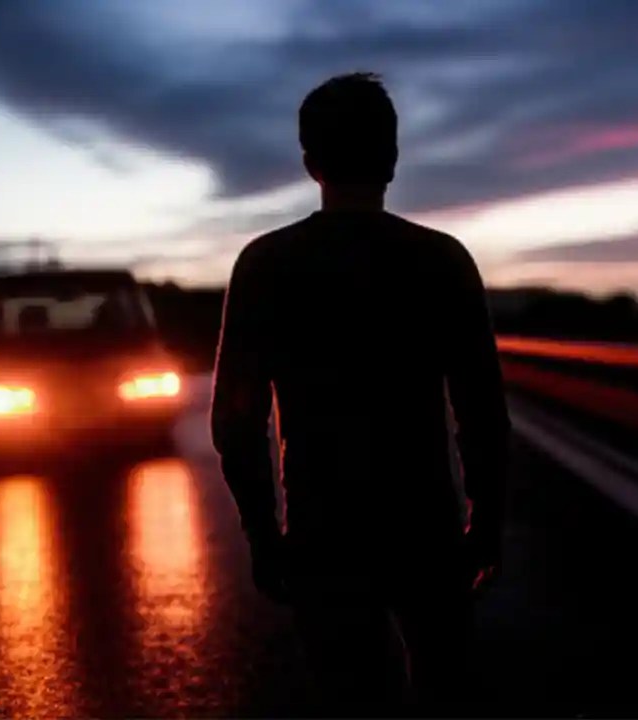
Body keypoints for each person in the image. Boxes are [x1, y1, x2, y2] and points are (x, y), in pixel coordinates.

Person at [210, 72, 510, 714]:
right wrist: (485, 523)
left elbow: (236, 421)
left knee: (350, 697)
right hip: (425, 528)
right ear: (393, 158)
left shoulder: (265, 264)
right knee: (447, 689)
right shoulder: (443, 260)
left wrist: (263, 533)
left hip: (324, 533)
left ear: (309, 162)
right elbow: (481, 406)